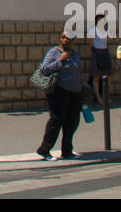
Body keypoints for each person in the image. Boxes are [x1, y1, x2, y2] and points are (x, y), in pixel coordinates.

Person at [37, 30, 84, 160]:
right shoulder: (54, 52)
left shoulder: (74, 54)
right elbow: (44, 69)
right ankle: (44, 150)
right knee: (56, 121)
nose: (65, 40)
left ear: (72, 40)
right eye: (63, 37)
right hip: (59, 92)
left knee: (72, 122)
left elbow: (78, 71)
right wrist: (60, 60)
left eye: (68, 38)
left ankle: (67, 151)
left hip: (74, 92)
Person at [87, 11, 112, 102]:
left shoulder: (106, 30)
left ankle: (107, 95)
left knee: (107, 76)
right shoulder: (93, 30)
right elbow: (90, 43)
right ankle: (98, 97)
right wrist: (93, 52)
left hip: (105, 52)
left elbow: (108, 41)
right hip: (96, 52)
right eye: (99, 19)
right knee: (96, 76)